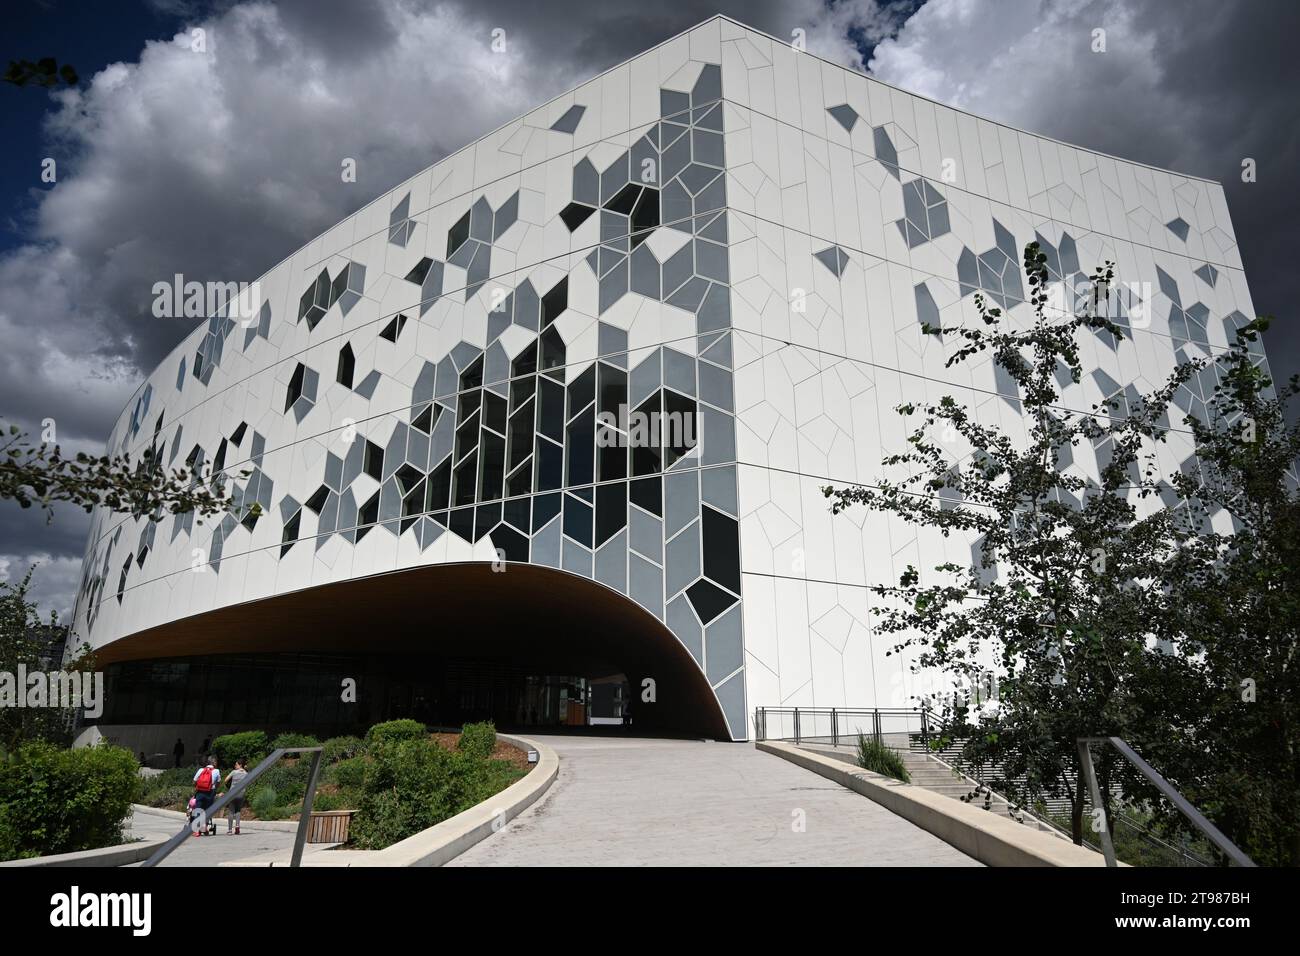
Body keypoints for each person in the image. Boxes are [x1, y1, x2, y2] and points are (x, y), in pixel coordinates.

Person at [191, 756, 220, 837]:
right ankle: (205, 828)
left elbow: (194, 781)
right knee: (208, 810)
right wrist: (214, 789)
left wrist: (198, 787)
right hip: (210, 793)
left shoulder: (201, 770)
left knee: (198, 810)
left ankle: (196, 831)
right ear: (214, 763)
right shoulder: (217, 771)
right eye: (216, 762)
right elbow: (218, 783)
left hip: (200, 793)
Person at [224, 758, 249, 835]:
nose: (235, 766)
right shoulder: (246, 773)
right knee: (238, 810)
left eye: (236, 764)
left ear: (240, 765)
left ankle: (229, 830)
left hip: (233, 793)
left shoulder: (234, 772)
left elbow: (226, 780)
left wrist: (229, 786)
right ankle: (237, 826)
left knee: (231, 811)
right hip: (241, 793)